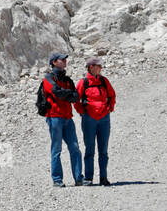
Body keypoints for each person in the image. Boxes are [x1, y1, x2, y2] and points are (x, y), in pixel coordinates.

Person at [40, 51, 84, 187]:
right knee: (57, 149)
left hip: (67, 118)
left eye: (65, 59)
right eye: (62, 59)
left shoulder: (67, 80)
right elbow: (56, 92)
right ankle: (57, 180)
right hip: (54, 118)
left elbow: (76, 96)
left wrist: (67, 94)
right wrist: (69, 94)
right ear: (54, 62)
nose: (65, 61)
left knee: (75, 148)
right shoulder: (48, 78)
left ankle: (79, 178)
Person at [76, 57, 115, 185]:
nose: (101, 68)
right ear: (91, 67)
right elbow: (76, 99)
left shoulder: (104, 81)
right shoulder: (84, 82)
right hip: (89, 119)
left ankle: (103, 177)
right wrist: (82, 112)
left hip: (104, 118)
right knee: (90, 149)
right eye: (98, 66)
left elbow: (112, 95)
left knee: (103, 150)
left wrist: (110, 108)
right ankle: (88, 178)